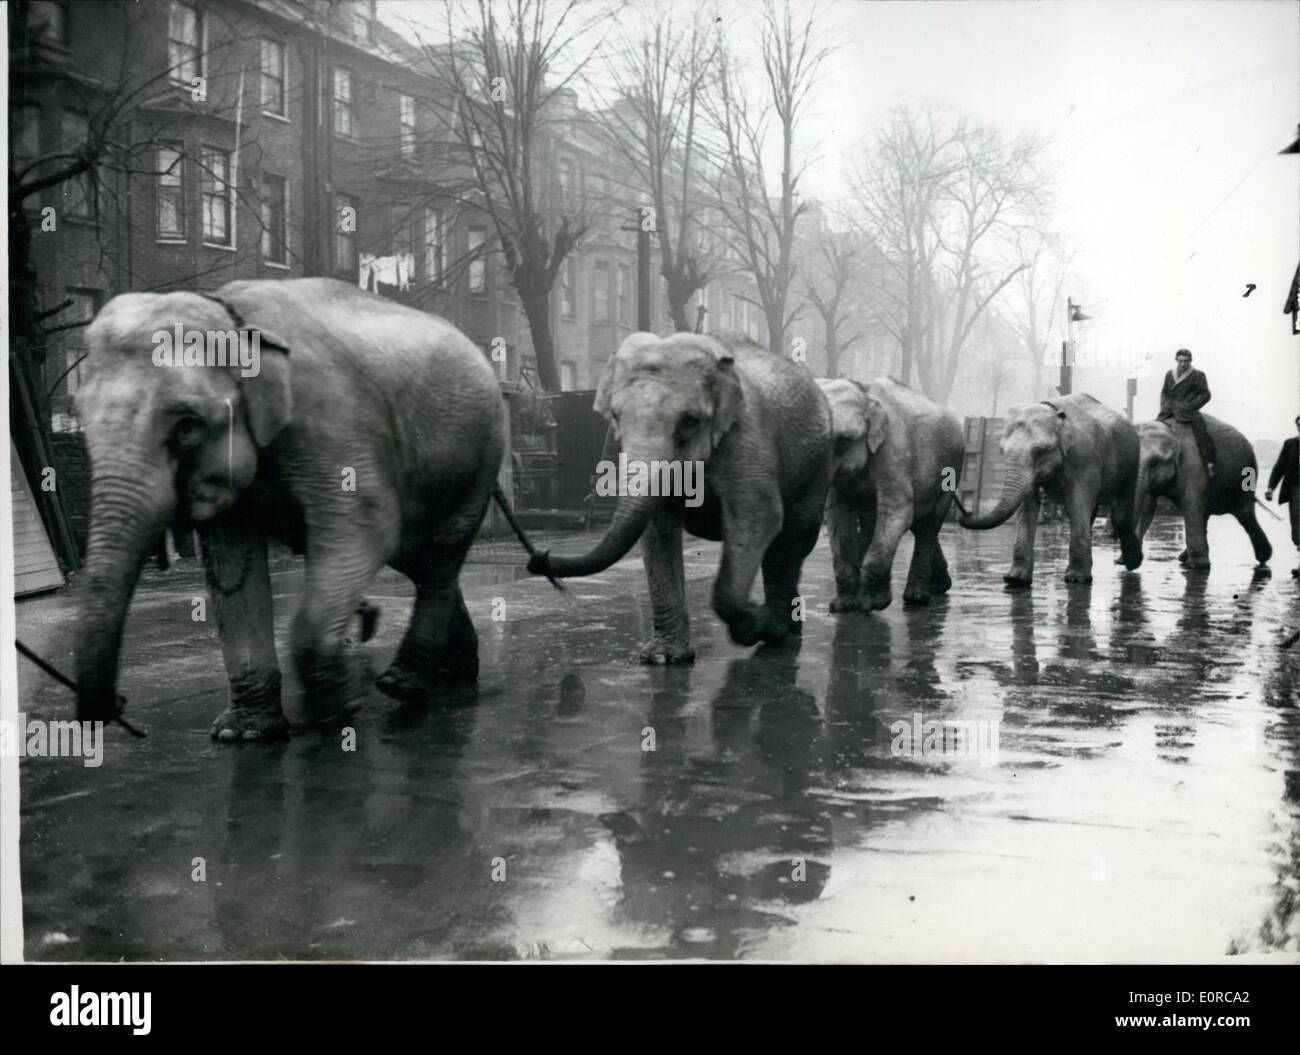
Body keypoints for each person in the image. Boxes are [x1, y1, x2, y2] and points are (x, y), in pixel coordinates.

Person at [1158, 348, 1216, 475]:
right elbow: (1164, 392)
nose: (1183, 364)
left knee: (1202, 434)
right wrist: (1165, 405)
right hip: (1168, 411)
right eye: (1180, 361)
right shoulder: (1169, 374)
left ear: (1190, 361)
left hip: (1188, 412)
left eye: (1185, 361)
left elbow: (1205, 394)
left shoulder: (1198, 375)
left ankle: (1209, 463)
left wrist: (1190, 406)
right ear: (1176, 360)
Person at [1264, 414, 1300, 576]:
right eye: (1299, 425)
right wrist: (1271, 488)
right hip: (1295, 490)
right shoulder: (1290, 444)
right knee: (1297, 529)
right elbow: (1279, 467)